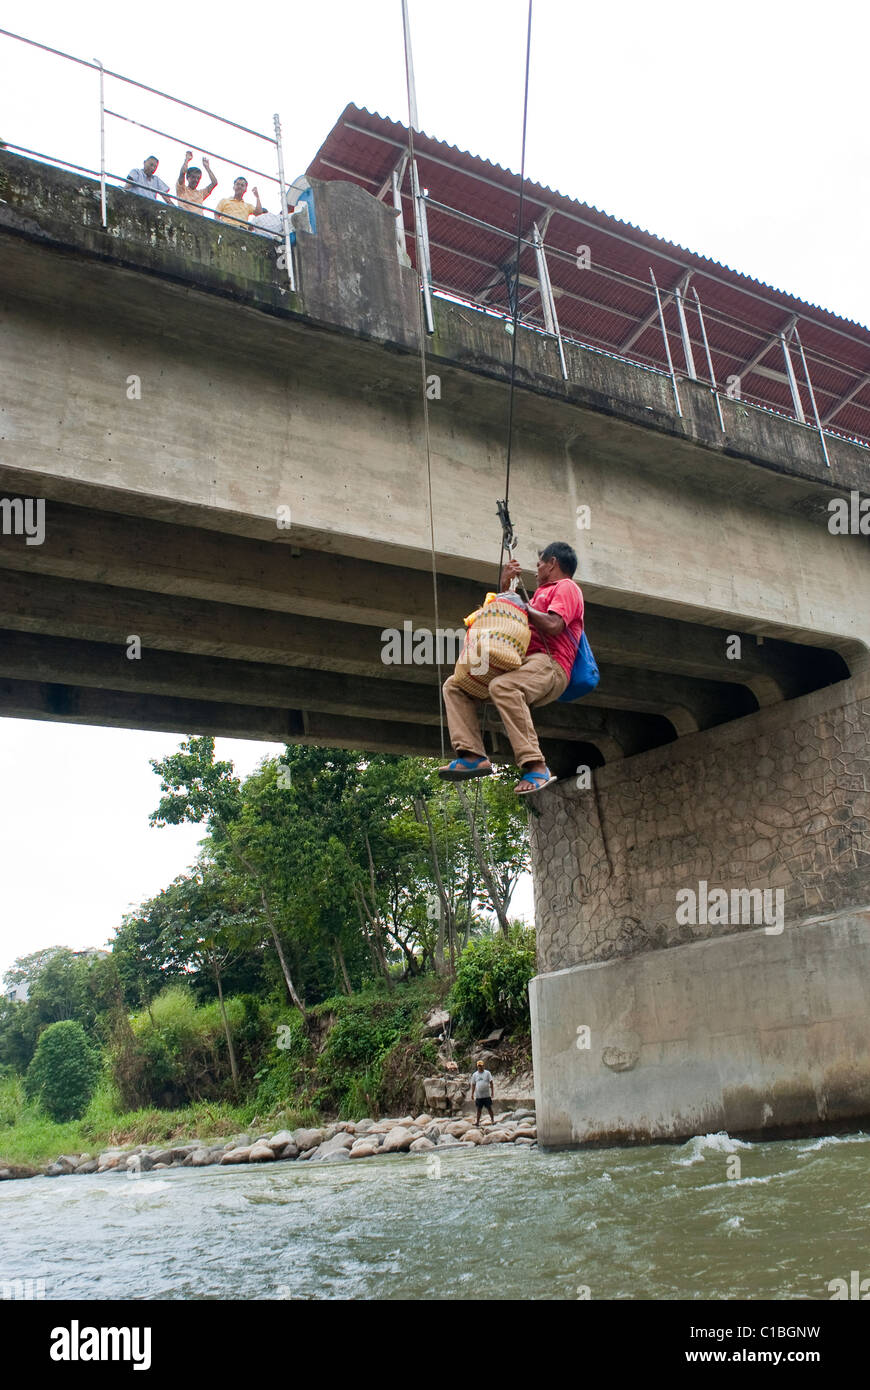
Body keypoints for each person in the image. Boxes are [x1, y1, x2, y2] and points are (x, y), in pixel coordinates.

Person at [439, 541, 583, 795]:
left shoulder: (566, 587)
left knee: (503, 686)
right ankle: (472, 754)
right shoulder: (537, 595)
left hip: (550, 665)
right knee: (455, 685)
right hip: (524, 663)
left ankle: (536, 766)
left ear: (553, 564)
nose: (536, 570)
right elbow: (507, 619)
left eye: (539, 565)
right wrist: (506, 589)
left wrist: (525, 606)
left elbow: (554, 625)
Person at [470, 1060, 495, 1127]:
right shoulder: (475, 1075)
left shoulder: (487, 1073)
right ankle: (477, 1122)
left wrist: (492, 1092)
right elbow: (473, 1084)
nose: (480, 1067)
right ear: (477, 1066)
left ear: (483, 1066)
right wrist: (472, 1094)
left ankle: (492, 1120)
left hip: (486, 1095)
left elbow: (491, 1083)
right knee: (478, 1109)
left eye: (481, 1066)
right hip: (479, 1096)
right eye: (479, 1066)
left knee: (489, 1108)